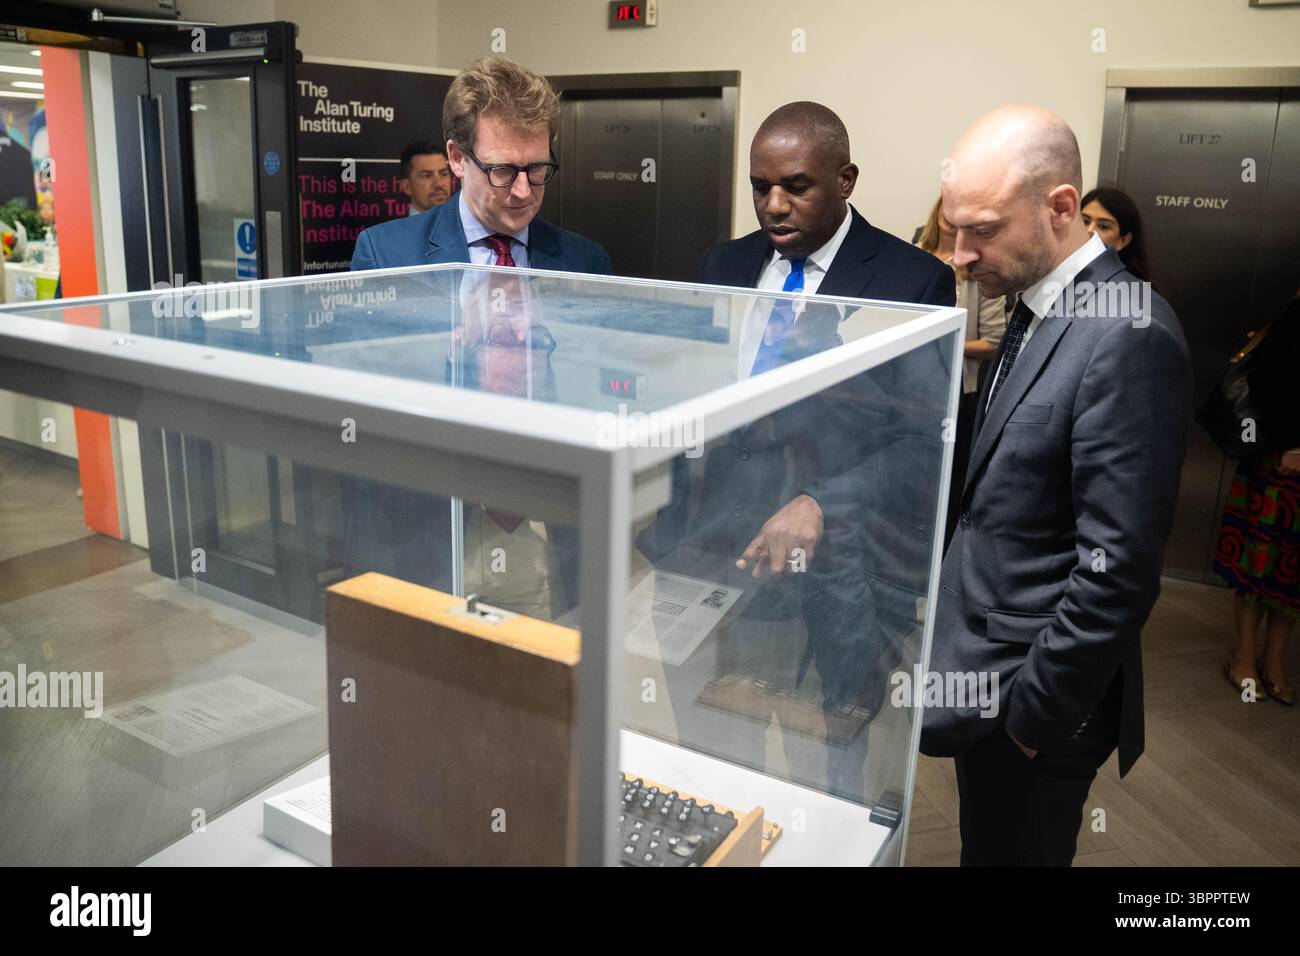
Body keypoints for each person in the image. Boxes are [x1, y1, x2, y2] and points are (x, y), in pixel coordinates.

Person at [635, 101, 955, 801]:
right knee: (712, 749)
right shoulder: (725, 262)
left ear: (846, 179)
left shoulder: (910, 282)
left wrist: (819, 503)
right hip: (708, 550)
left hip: (829, 568)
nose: (773, 205)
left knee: (824, 768)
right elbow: (693, 392)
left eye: (797, 186)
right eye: (759, 185)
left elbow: (919, 440)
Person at [919, 105, 1192, 866]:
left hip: (1037, 708)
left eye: (981, 231)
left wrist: (1031, 722)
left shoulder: (1126, 332)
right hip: (988, 674)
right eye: (952, 229)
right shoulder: (1040, 305)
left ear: (1062, 208)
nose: (960, 255)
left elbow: (1118, 572)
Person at [345, 57, 612, 615]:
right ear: (456, 158)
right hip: (435, 513)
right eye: (501, 170)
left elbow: (599, 394)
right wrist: (443, 355)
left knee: (545, 679)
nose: (522, 192)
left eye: (537, 170)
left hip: (549, 517)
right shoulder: (388, 254)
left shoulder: (585, 261)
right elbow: (364, 399)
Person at [1215, 286, 1300, 706]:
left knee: (1292, 573)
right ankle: (1244, 655)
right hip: (1281, 460)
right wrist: (1294, 445)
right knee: (1258, 563)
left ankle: (1275, 660)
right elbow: (1269, 378)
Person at [916, 195, 1006, 546]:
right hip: (912, 391)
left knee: (950, 483)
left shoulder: (977, 270)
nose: (952, 222)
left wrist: (943, 341)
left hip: (957, 394)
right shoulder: (914, 257)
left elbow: (994, 341)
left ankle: (942, 554)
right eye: (948, 213)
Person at [1080, 185, 1150, 281]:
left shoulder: (1131, 291)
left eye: (1103, 226)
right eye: (1085, 221)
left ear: (1123, 241)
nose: (1089, 231)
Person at [397, 141, 453, 215]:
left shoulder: (465, 225)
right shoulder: (394, 227)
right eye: (427, 176)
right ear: (407, 187)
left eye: (444, 174)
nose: (439, 184)